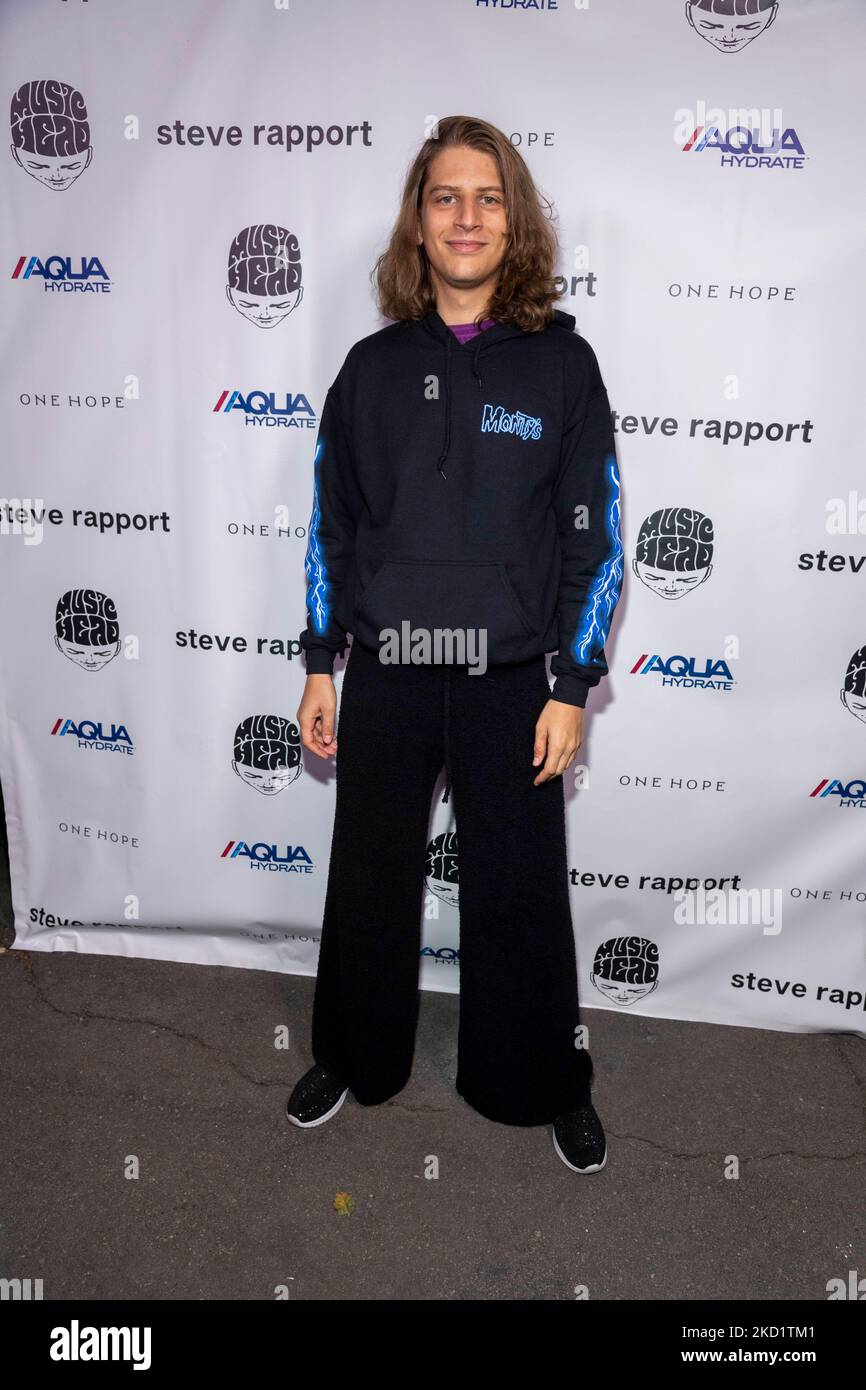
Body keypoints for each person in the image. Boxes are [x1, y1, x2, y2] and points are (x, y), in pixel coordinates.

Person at [288, 115, 623, 1174]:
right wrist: (316, 659)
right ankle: (352, 1054)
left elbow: (596, 537)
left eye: (485, 197)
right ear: (418, 222)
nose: (465, 216)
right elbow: (328, 523)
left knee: (521, 887)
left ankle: (540, 1075)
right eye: (444, 197)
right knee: (368, 873)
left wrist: (570, 682)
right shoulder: (369, 368)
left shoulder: (563, 367)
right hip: (387, 669)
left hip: (509, 682)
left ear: (511, 220)